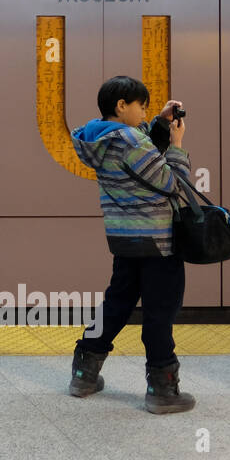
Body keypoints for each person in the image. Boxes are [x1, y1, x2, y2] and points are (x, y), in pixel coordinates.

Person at [66, 75, 196, 414]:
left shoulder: (98, 139)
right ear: (121, 105)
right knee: (159, 311)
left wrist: (158, 124)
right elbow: (171, 182)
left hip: (123, 237)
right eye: (141, 106)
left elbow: (139, 163)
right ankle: (163, 390)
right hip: (156, 240)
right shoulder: (130, 140)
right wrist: (178, 145)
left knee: (116, 304)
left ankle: (83, 374)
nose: (144, 112)